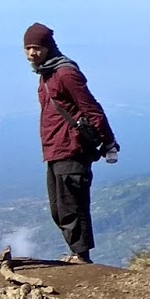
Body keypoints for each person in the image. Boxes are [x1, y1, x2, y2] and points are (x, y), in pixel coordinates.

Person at [24, 23, 117, 265]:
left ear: (48, 47)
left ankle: (82, 256)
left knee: (72, 204)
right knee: (59, 208)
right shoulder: (47, 73)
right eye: (28, 48)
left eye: (36, 47)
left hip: (72, 147)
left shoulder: (65, 73)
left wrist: (109, 141)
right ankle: (78, 253)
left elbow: (90, 107)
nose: (32, 53)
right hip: (54, 148)